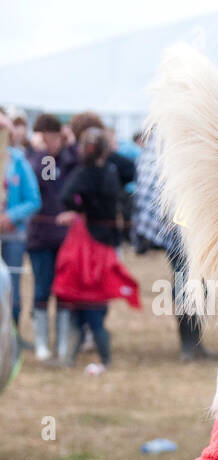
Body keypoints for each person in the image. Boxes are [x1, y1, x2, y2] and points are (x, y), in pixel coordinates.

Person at [133, 133, 211, 360]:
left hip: (187, 223)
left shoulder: (172, 142)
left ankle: (194, 342)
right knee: (186, 282)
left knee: (195, 283)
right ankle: (189, 345)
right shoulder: (171, 143)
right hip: (179, 226)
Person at [56, 127, 125, 367]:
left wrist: (79, 208)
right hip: (104, 243)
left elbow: (66, 195)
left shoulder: (83, 173)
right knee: (95, 302)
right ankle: (97, 358)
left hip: (87, 245)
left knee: (82, 303)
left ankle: (77, 358)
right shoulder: (110, 173)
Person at [24, 113, 79, 362]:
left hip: (65, 238)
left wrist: (69, 145)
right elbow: (42, 182)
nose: (55, 142)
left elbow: (78, 177)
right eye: (50, 137)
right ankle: (42, 344)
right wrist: (42, 154)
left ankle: (63, 344)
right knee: (42, 289)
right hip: (40, 237)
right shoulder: (36, 160)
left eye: (58, 137)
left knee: (65, 292)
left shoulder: (69, 158)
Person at [2, 113, 40, 347]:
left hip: (13, 236)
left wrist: (11, 216)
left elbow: (33, 200)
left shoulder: (19, 163)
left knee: (12, 288)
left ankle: (12, 337)